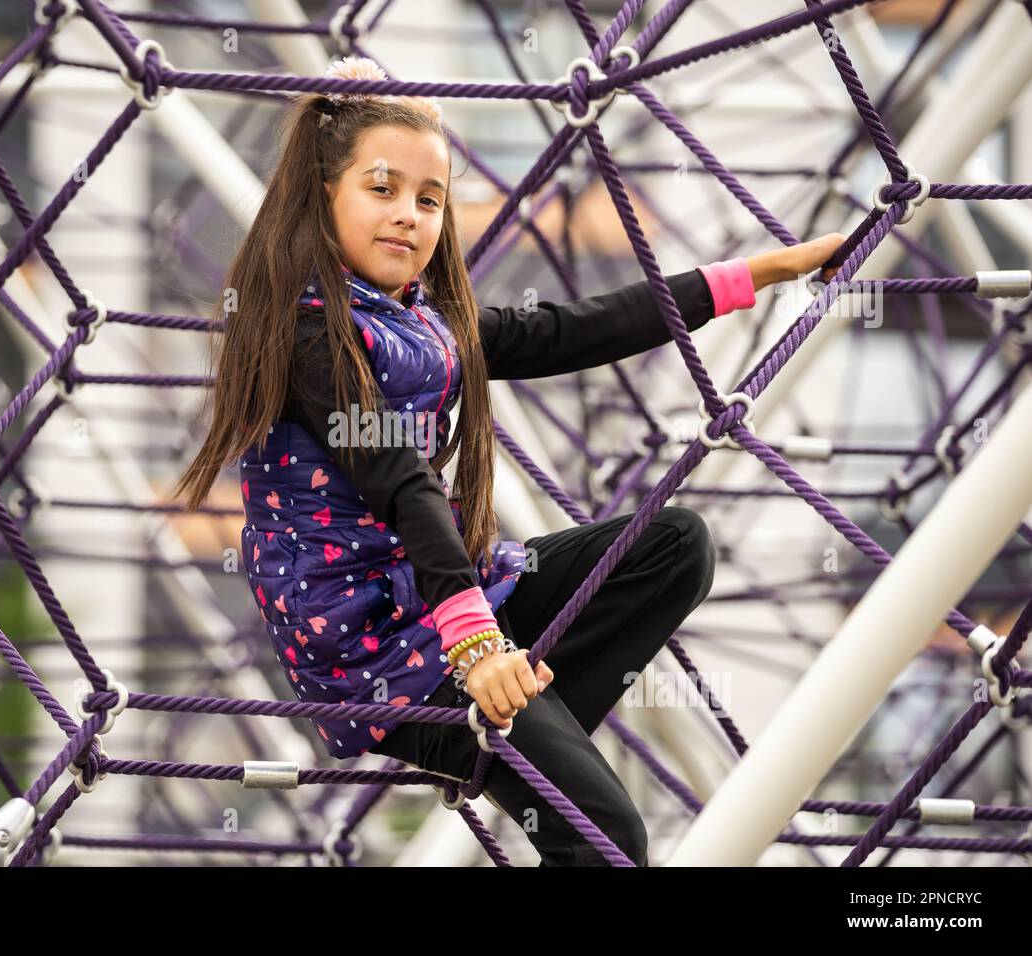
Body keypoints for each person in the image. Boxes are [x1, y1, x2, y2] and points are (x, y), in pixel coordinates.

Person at [175, 55, 845, 866]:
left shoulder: (425, 320)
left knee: (675, 546)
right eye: (382, 190)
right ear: (324, 195)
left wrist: (762, 273)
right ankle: (499, 735)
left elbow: (575, 329)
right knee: (607, 839)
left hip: (445, 597)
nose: (409, 216)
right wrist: (476, 644)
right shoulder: (307, 330)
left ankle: (506, 740)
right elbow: (400, 482)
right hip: (373, 647)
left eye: (429, 200)